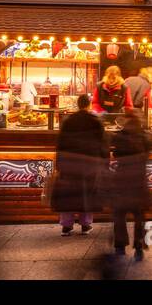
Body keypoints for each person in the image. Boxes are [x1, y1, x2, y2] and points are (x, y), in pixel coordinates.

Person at [50, 95, 105, 236]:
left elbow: (60, 143)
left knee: (68, 193)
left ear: (78, 104)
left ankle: (66, 226)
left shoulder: (68, 121)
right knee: (87, 193)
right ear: (89, 105)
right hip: (89, 164)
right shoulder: (95, 121)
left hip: (70, 163)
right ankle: (85, 225)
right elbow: (102, 144)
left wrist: (59, 163)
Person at [110, 113, 152, 260]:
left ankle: (120, 246)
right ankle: (139, 245)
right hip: (138, 181)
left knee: (119, 214)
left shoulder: (118, 137)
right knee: (139, 215)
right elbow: (148, 153)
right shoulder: (144, 138)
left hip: (121, 180)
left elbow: (115, 153)